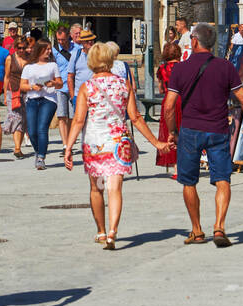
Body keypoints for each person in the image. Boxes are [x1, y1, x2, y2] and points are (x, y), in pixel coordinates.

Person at [64, 41, 170, 248]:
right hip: (118, 142)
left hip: (94, 142)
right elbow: (136, 117)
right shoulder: (124, 84)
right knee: (115, 188)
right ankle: (113, 231)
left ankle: (101, 231)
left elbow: (78, 120)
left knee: (97, 189)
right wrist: (156, 142)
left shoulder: (87, 87)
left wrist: (68, 147)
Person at [162, 23, 243, 247]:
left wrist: (173, 132)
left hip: (190, 130)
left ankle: (196, 230)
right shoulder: (225, 67)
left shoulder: (180, 69)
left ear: (194, 41)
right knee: (222, 179)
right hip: (218, 130)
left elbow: (168, 107)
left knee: (189, 181)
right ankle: (219, 227)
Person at [20, 41, 62, 170]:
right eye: (47, 49)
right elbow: (22, 86)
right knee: (32, 131)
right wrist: (32, 86)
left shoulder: (53, 65)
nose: (49, 51)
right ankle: (38, 151)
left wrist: (53, 83)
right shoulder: (28, 67)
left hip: (48, 99)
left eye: (50, 49)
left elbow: (60, 83)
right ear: (39, 50)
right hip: (32, 99)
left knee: (42, 128)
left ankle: (41, 157)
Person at [51, 26, 82, 152]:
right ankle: (65, 145)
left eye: (63, 39)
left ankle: (70, 141)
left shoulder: (78, 49)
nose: (61, 42)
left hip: (74, 87)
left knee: (72, 117)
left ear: (68, 37)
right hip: (60, 87)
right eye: (58, 40)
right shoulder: (54, 50)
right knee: (61, 116)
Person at [154, 42, 182, 177]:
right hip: (183, 99)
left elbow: (160, 89)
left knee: (170, 131)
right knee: (184, 130)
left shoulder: (162, 68)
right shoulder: (184, 67)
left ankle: (176, 168)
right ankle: (185, 164)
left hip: (168, 100)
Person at [4, 36, 30, 158]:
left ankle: (18, 146)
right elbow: (7, 76)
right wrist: (4, 94)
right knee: (16, 118)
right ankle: (17, 148)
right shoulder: (10, 59)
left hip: (26, 92)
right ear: (15, 48)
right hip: (13, 92)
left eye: (24, 48)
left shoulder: (30, 59)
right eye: (19, 48)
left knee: (24, 119)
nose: (21, 50)